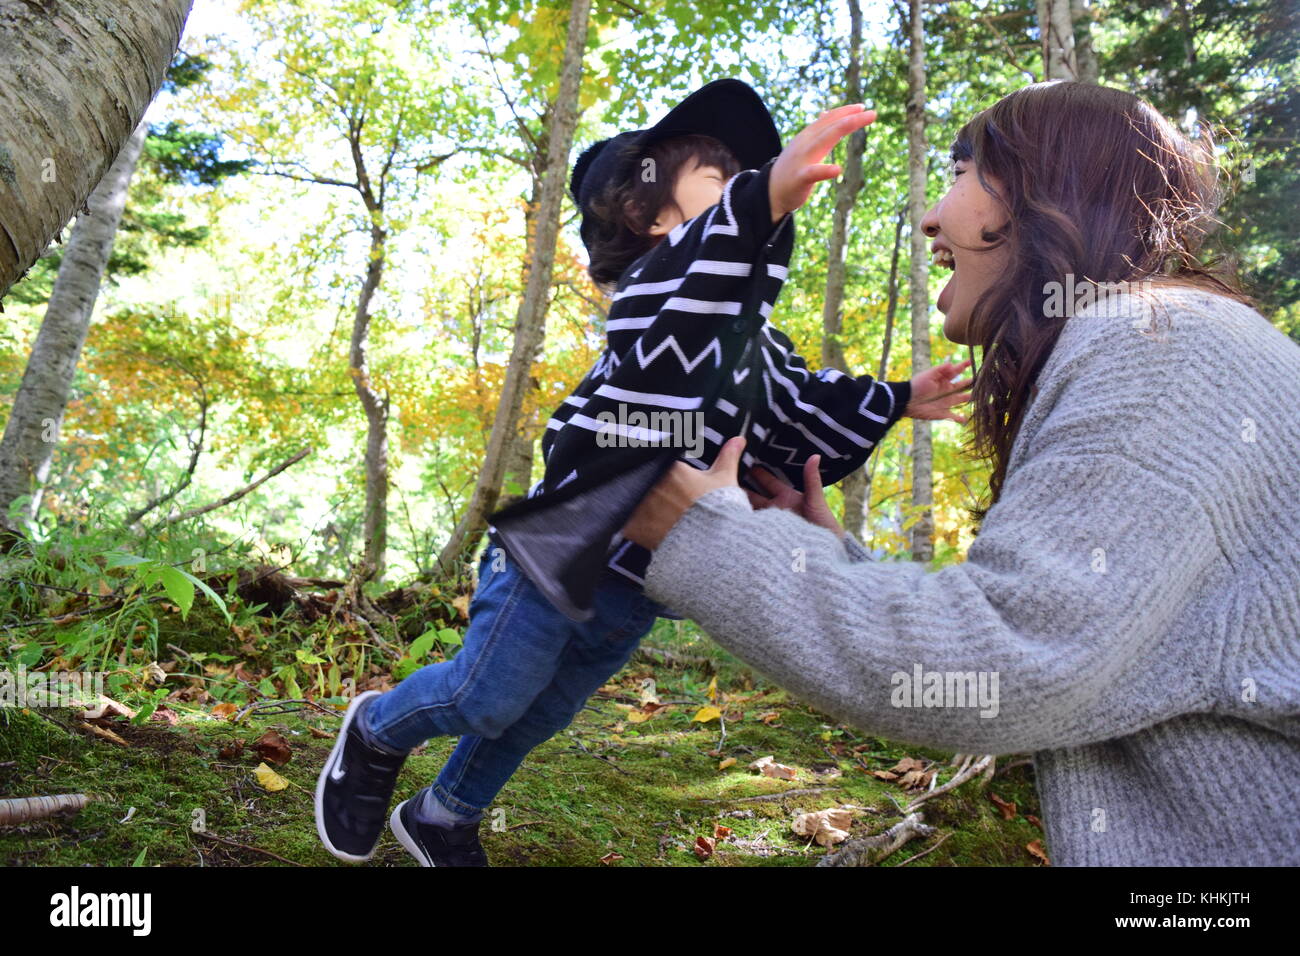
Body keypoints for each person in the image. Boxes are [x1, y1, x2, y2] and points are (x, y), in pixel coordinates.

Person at [625, 80, 1300, 867]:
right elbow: (1085, 643)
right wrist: (832, 561)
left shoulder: (1160, 341)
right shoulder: (1168, 340)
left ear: (1046, 188)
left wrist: (706, 539)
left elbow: (1003, 668)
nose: (930, 219)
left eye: (958, 173)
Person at [315, 79, 970, 867]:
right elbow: (700, 277)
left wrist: (899, 398)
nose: (741, 196)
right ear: (649, 216)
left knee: (545, 710)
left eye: (742, 182)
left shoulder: (756, 340)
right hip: (565, 544)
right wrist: (762, 197)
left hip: (650, 569)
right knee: (486, 695)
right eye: (719, 182)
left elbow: (800, 403)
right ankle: (376, 728)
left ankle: (445, 815)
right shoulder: (649, 296)